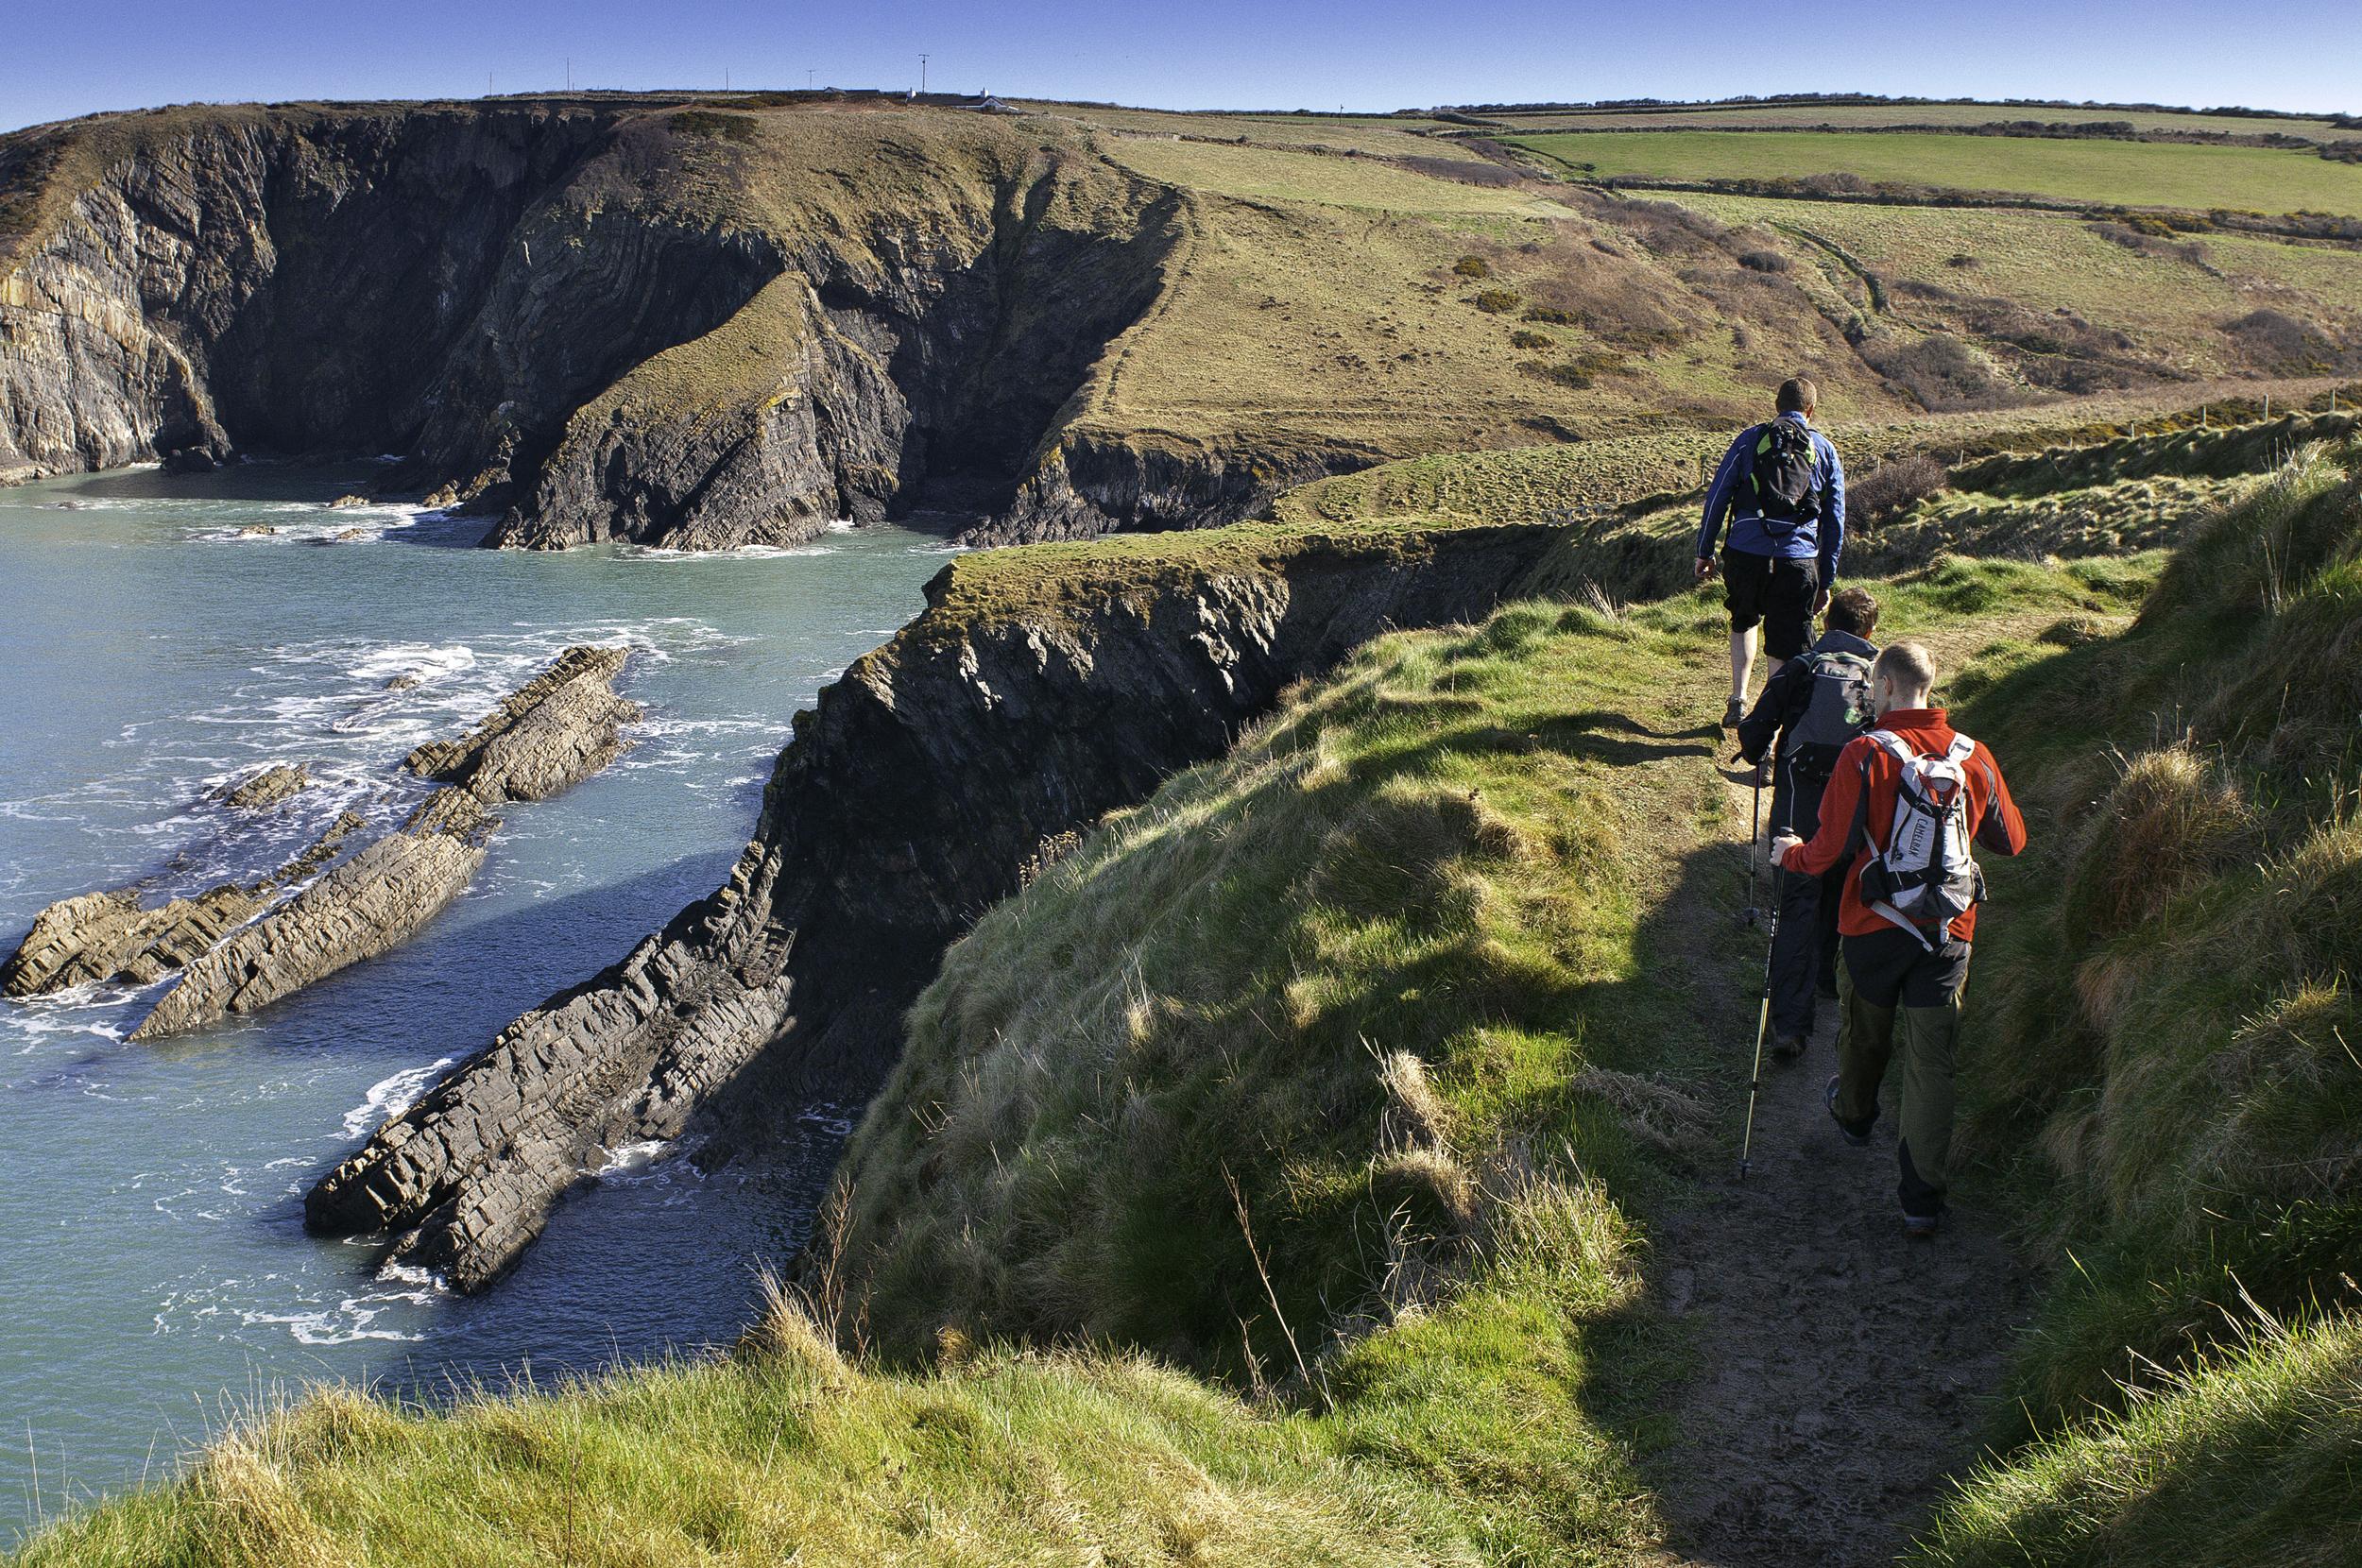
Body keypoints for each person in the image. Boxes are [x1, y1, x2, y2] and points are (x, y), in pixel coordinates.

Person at [1770, 641, 2026, 1237]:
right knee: (1932, 1062)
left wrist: (1792, 856)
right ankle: (1921, 1201)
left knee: (1865, 1033)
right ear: (1930, 688)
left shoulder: (1865, 753)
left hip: (1872, 927)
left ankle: (1855, 1113)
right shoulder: (1974, 756)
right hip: (1949, 933)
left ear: (1883, 686)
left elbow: (1829, 850)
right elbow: (2011, 841)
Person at [1735, 586, 1881, 1062]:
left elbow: (1755, 730)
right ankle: (1825, 981)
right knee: (1838, 891)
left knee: (1796, 903)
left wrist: (1755, 753)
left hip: (1797, 809)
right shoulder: (1878, 680)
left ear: (1825, 623)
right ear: (1869, 632)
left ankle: (1789, 1026)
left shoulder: (1801, 667)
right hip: (1853, 813)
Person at [1695, 377, 1848, 730]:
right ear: (1811, 410)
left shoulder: (1749, 440)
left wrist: (1704, 550)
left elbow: (1718, 496)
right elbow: (1835, 519)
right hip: (1797, 560)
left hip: (1746, 553)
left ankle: (1738, 700)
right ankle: (1768, 730)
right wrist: (1826, 579)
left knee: (1744, 620)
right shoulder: (1824, 450)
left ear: (1776, 406)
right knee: (1783, 646)